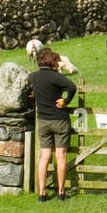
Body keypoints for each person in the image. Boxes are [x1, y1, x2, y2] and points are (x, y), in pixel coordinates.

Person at [26, 48, 78, 201]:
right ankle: (61, 192)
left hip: (43, 121)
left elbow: (30, 91)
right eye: (56, 61)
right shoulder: (56, 77)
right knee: (60, 157)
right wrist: (65, 100)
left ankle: (42, 193)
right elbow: (72, 87)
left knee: (44, 157)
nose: (58, 63)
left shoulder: (33, 77)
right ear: (52, 62)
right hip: (59, 120)